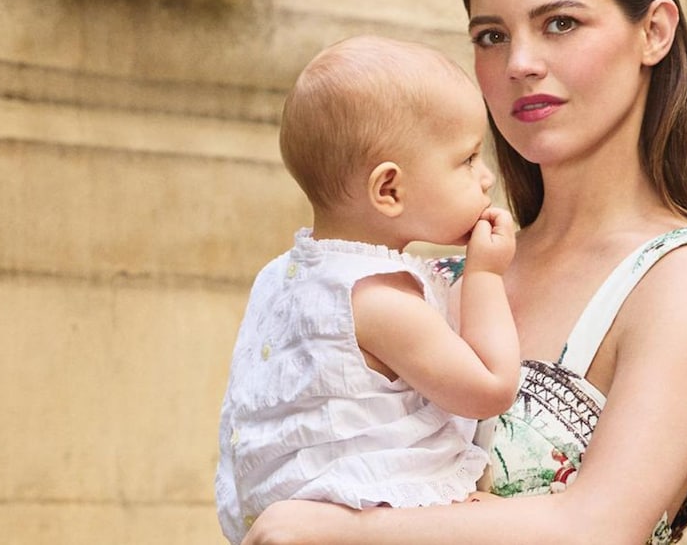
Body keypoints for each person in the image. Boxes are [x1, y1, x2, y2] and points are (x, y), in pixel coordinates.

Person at [240, 0, 687, 545]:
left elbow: (598, 527)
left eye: (560, 23)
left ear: (653, 31)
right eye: (491, 35)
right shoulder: (447, 274)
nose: (520, 63)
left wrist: (339, 530)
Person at [215, 35, 521, 545]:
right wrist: (486, 276)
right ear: (389, 190)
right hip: (365, 518)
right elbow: (488, 388)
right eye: (466, 159)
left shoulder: (281, 277)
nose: (486, 177)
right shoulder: (378, 301)